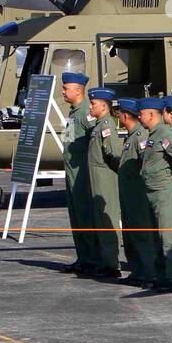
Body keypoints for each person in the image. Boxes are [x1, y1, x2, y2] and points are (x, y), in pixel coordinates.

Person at [138, 97, 172, 292]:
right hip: (153, 191)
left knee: (169, 236)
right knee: (157, 237)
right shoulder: (153, 134)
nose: (140, 117)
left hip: (165, 191)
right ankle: (162, 276)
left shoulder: (164, 134)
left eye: (142, 113)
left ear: (151, 114)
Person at [115, 98, 156, 287]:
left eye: (119, 113)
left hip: (137, 196)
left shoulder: (140, 136)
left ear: (125, 115)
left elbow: (145, 164)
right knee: (131, 234)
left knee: (141, 234)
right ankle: (137, 270)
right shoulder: (131, 136)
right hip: (129, 196)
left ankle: (148, 272)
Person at [84, 87, 124, 280]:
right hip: (96, 179)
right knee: (99, 220)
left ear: (104, 106)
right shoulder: (98, 126)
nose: (90, 107)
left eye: (93, 104)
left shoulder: (107, 127)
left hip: (104, 180)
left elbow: (114, 154)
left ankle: (111, 264)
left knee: (107, 220)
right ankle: (104, 261)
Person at [59, 72, 96, 276]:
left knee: (85, 215)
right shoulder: (74, 113)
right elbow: (70, 141)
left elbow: (96, 137)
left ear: (78, 91)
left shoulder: (85, 113)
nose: (63, 91)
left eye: (66, 88)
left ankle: (91, 258)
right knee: (76, 216)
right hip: (72, 173)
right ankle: (83, 257)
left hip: (82, 174)